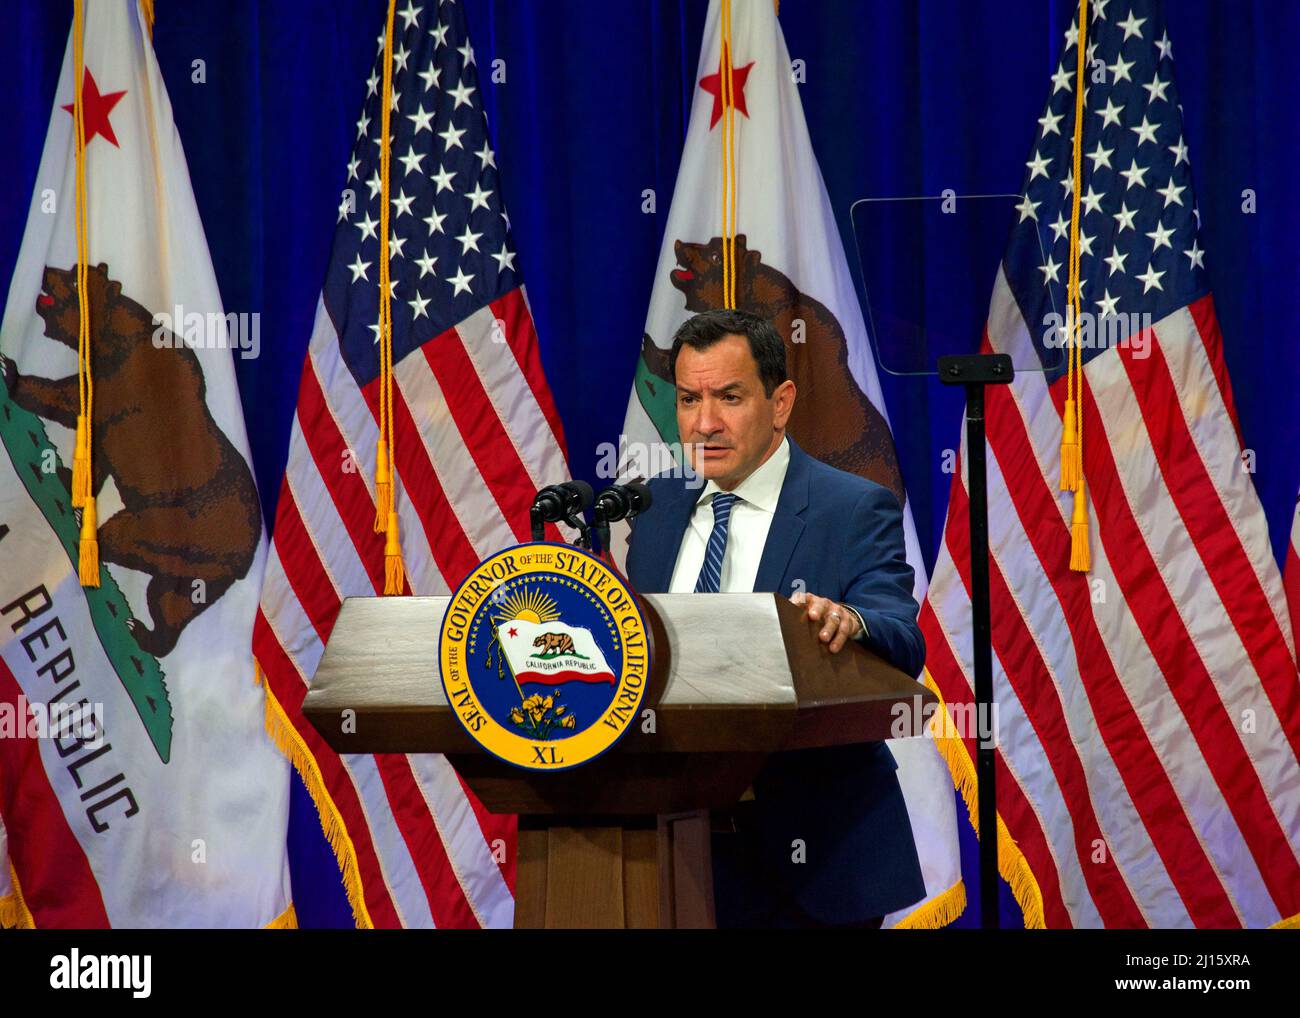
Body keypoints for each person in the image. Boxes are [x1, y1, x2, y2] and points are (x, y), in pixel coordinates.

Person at [625, 307, 927, 928]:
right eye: (688, 399)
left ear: (781, 401)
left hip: (813, 861)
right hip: (676, 851)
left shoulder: (851, 507)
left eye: (729, 397)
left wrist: (849, 621)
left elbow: (901, 636)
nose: (704, 423)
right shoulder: (653, 515)